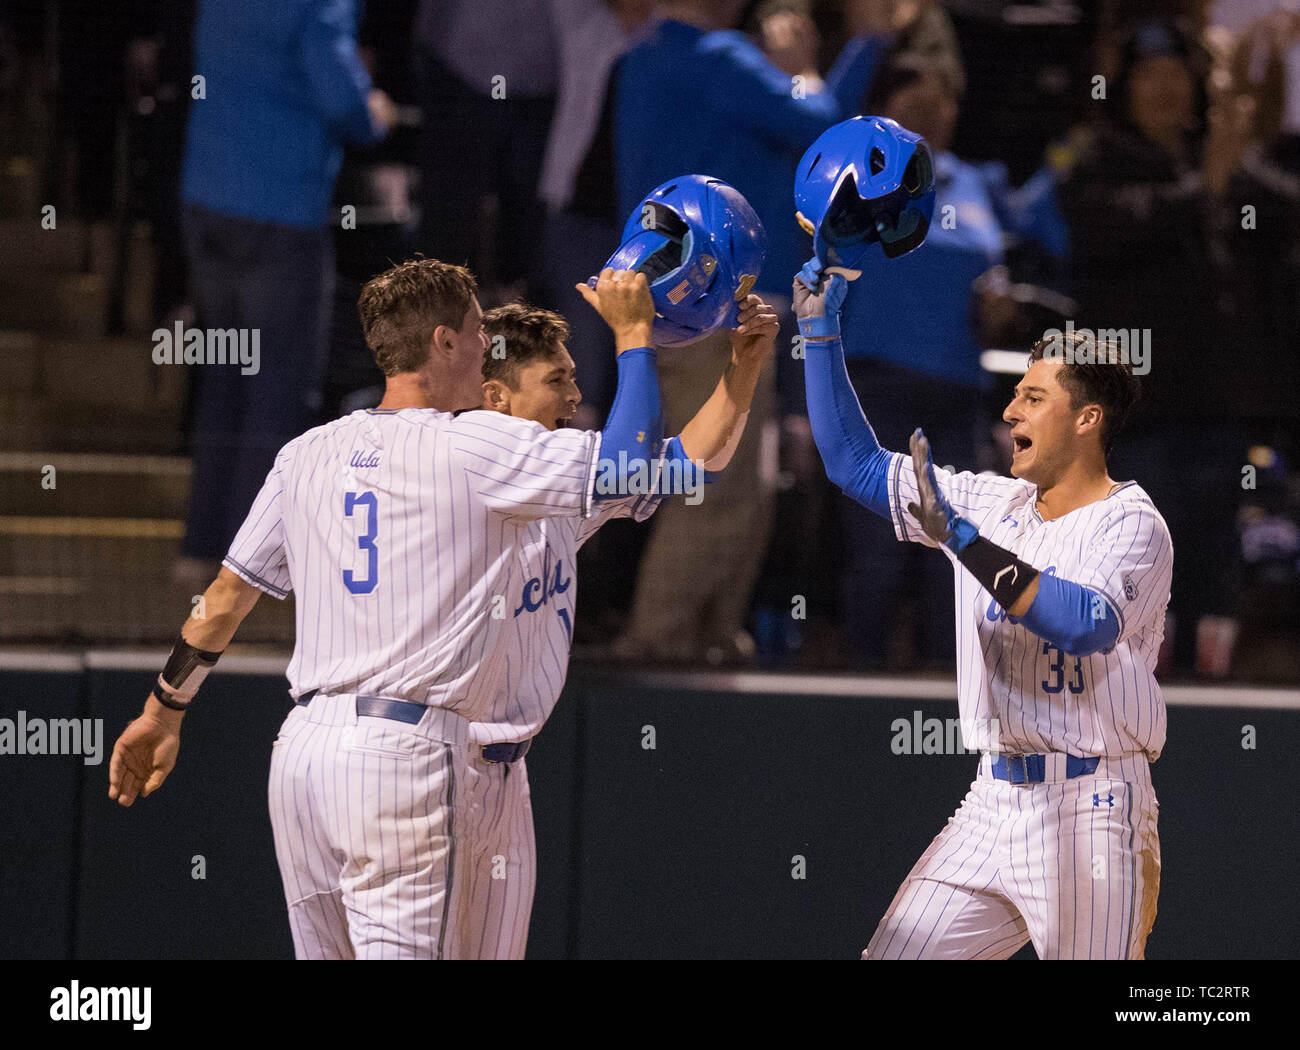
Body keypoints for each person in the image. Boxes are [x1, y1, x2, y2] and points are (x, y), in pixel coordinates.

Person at [106, 257, 775, 959]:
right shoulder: (476, 446)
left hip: (312, 753)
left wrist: (161, 711)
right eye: (479, 329)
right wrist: (635, 335)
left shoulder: (307, 454)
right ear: (446, 343)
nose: (488, 339)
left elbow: (222, 602)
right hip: (414, 753)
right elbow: (632, 462)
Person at [796, 260, 1171, 959]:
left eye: (1033, 398)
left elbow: (1081, 623)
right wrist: (821, 332)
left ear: (1087, 419)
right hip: (991, 800)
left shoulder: (1132, 521)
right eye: (1015, 396)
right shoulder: (992, 502)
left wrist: (963, 542)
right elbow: (853, 463)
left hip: (1091, 807)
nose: (1009, 411)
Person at [452, 295, 776, 958]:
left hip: (504, 778)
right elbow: (630, 462)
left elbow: (692, 461)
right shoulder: (466, 465)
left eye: (574, 376)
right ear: (496, 398)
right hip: (436, 766)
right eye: (556, 381)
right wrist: (635, 338)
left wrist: (740, 370)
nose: (574, 395)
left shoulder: (556, 480)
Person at [176, 0, 394, 579]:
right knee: (275, 391)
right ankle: (253, 569)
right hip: (278, 213)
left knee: (225, 382)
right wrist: (375, 109)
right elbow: (343, 100)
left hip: (206, 200)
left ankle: (200, 549)